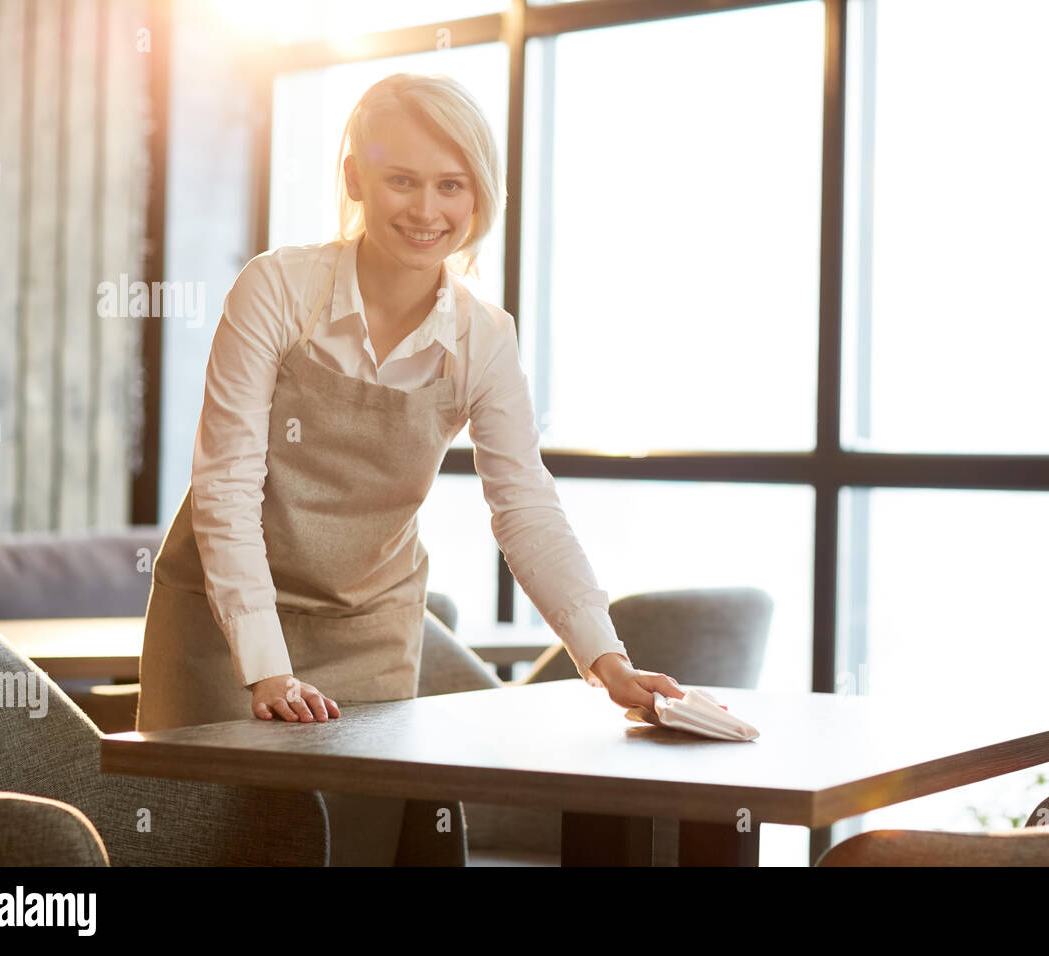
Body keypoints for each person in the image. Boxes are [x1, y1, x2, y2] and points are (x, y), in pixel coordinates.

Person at [135, 72, 685, 865]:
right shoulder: (276, 290)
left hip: (369, 629)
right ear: (356, 177)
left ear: (478, 195)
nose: (426, 210)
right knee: (213, 850)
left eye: (450, 185)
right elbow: (225, 487)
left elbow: (524, 506)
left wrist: (607, 661)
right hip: (220, 629)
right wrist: (265, 667)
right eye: (401, 180)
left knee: (356, 855)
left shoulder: (484, 339)